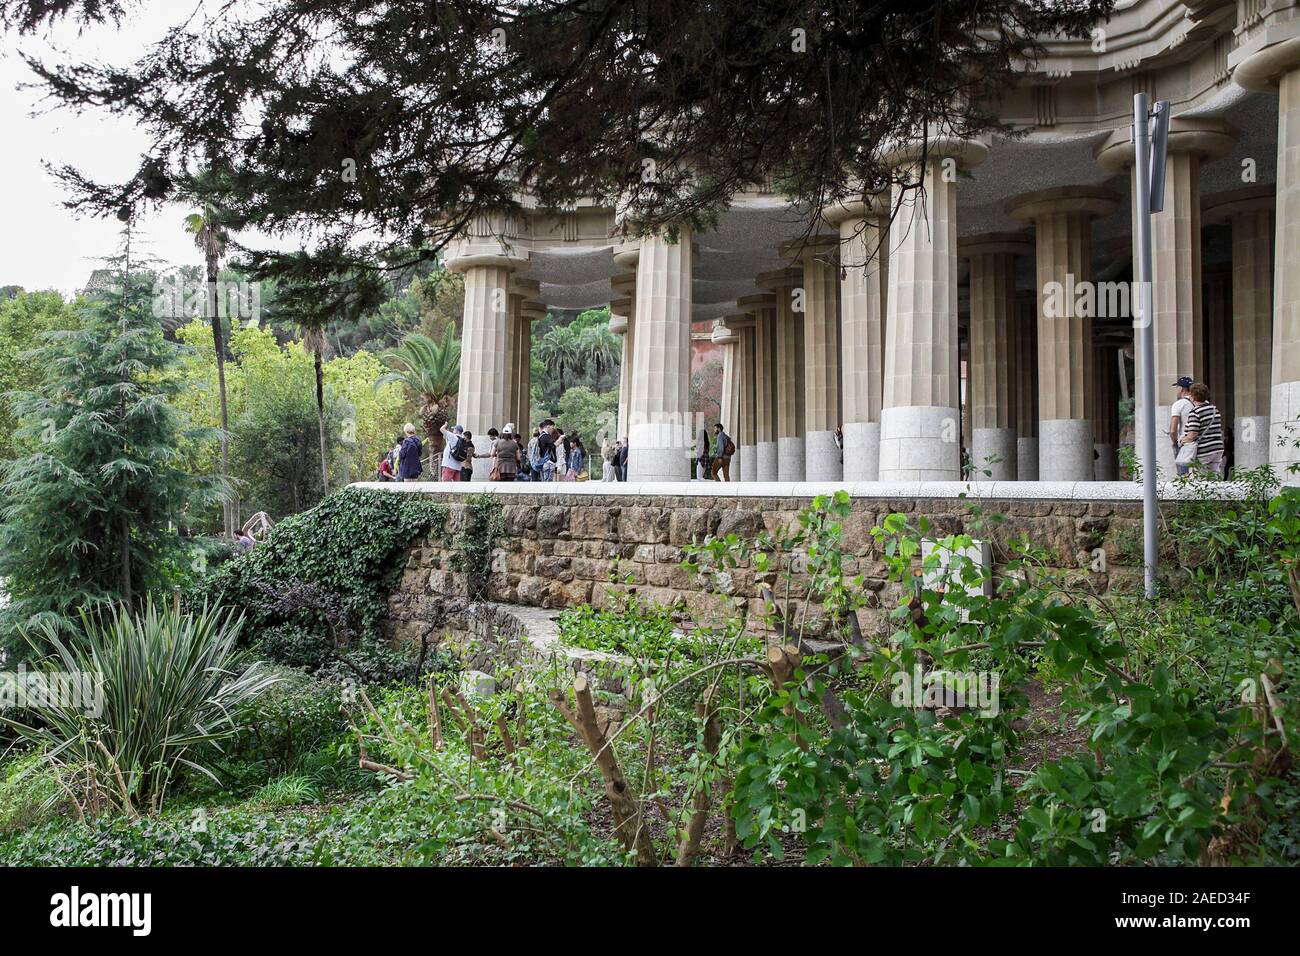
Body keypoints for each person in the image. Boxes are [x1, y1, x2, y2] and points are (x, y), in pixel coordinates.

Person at [1181, 382, 1225, 477]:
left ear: (1192, 396)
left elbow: (1192, 435)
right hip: (1217, 448)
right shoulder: (1214, 410)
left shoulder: (1195, 412)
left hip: (1203, 451)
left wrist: (1182, 440)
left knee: (1198, 478)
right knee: (1214, 477)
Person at [1169, 376, 1195, 477]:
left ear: (1181, 389)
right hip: (1200, 441)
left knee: (1183, 475)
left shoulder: (1179, 404)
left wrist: (1175, 442)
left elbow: (1172, 430)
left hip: (1184, 442)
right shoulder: (1202, 403)